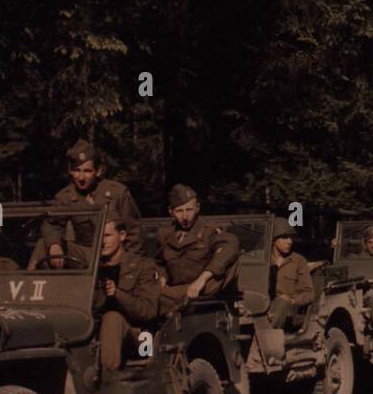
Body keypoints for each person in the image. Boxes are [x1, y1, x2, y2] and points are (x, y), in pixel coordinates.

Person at [156, 183, 240, 312]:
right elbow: (159, 262)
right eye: (179, 211)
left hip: (202, 291)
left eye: (189, 210)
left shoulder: (208, 230)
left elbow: (231, 244)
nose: (185, 217)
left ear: (197, 208)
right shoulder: (165, 234)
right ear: (170, 212)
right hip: (174, 291)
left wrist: (202, 279)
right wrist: (162, 277)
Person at [95, 220, 161, 372]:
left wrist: (117, 294)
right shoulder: (95, 268)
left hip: (142, 339)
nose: (102, 241)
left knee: (112, 317)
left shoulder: (142, 266)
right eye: (99, 235)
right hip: (103, 338)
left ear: (122, 235)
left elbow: (148, 311)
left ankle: (107, 381)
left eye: (107, 235)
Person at [53, 139, 140, 227]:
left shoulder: (118, 193)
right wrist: (54, 241)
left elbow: (134, 230)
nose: (81, 177)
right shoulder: (65, 197)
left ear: (98, 171)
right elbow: (52, 225)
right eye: (77, 170)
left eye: (87, 171)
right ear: (70, 171)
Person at [268, 226, 315, 329]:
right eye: (285, 237)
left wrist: (292, 300)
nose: (290, 241)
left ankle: (265, 339)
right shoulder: (263, 259)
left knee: (281, 303)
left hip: (287, 311)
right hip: (263, 306)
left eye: (291, 237)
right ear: (273, 239)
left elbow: (308, 294)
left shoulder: (298, 261)